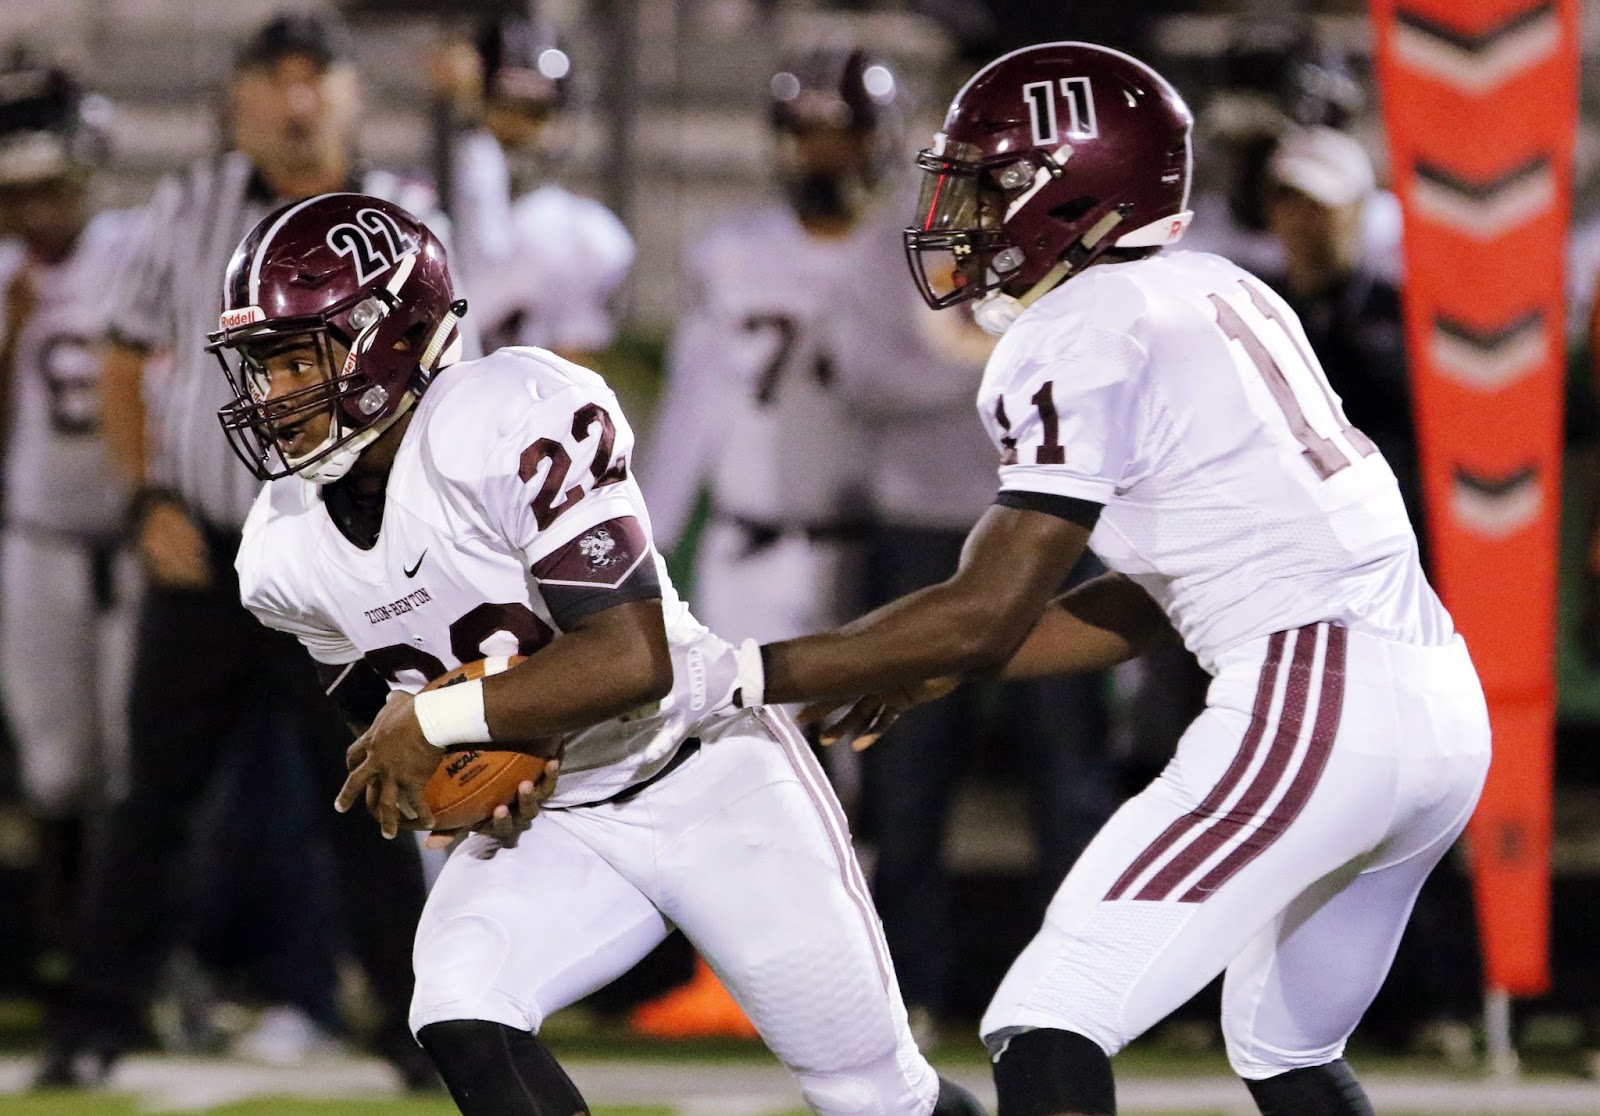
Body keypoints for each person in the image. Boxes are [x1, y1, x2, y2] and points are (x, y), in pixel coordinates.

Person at [709, 42, 1491, 1116]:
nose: (969, 217)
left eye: (988, 186)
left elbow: (981, 612)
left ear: (1067, 189)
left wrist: (745, 669)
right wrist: (937, 665)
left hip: (1316, 695)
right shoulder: (1223, 289)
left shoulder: (1079, 327)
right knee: (1284, 1050)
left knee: (1048, 1013)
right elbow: (1153, 592)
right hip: (1432, 705)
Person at [212, 192, 985, 1116]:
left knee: (874, 1097)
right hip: (561, 819)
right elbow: (398, 731)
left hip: (698, 768)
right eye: (259, 367)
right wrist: (455, 785)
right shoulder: (281, 549)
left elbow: (632, 657)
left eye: (296, 358)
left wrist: (450, 721)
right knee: (459, 1008)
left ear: (389, 338)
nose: (272, 396)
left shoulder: (509, 415)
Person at [36, 13, 432, 1088]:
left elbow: (440, 386)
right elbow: (128, 360)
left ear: (350, 95)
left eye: (316, 79)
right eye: (276, 81)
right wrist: (148, 496)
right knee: (154, 796)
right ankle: (96, 1021)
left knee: (376, 794)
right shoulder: (187, 207)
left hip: (342, 555)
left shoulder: (401, 218)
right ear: (240, 99)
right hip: (209, 551)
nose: (297, 102)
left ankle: (426, 1027)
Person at [633, 48, 899, 1036]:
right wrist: (645, 541)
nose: (822, 153)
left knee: (856, 773)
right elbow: (695, 409)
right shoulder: (733, 251)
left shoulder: (900, 255)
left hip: (862, 548)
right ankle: (730, 977)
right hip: (746, 546)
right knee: (723, 760)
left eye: (841, 132)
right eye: (807, 132)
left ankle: (851, 981)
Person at [0, 61, 138, 975]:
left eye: (49, 187)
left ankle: (144, 960)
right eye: (18, 194)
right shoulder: (6, 276)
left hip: (134, 540)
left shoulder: (138, 249)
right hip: (37, 535)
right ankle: (68, 959)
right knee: (54, 769)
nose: (35, 211)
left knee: (141, 766)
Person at [432, 12, 633, 360]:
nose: (518, 130)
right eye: (504, 109)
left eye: (533, 112)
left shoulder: (581, 232)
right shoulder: (422, 201)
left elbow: (573, 373)